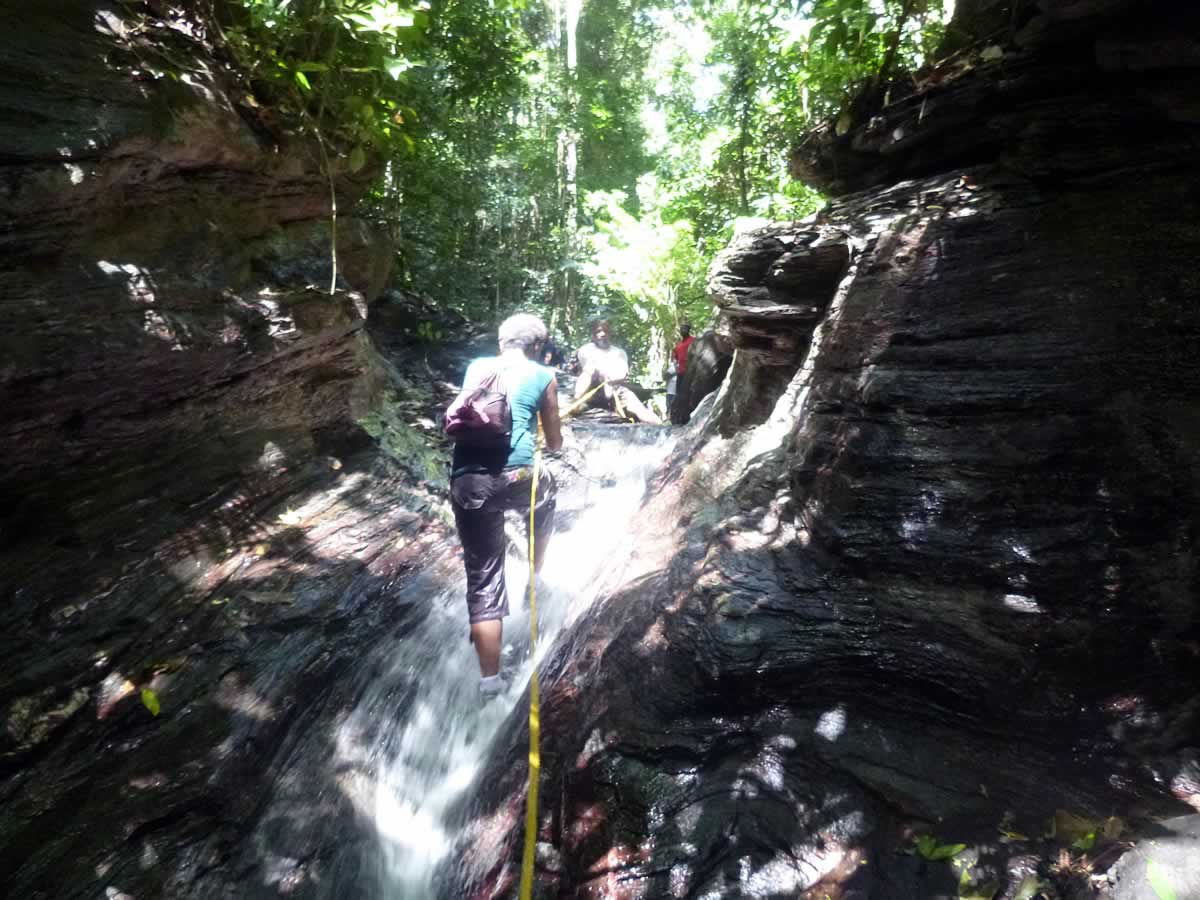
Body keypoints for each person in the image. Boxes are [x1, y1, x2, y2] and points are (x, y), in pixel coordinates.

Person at [450, 313, 563, 697]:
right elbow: (554, 442)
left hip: (469, 481)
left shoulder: (477, 367)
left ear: (501, 343)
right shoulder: (544, 376)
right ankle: (536, 574)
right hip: (520, 480)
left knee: (484, 578)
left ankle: (489, 682)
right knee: (545, 498)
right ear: (537, 348)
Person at [573, 319, 661, 425]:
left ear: (610, 333)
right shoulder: (586, 349)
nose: (602, 334)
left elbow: (623, 373)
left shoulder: (619, 352)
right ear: (593, 334)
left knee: (639, 410)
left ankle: (661, 425)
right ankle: (576, 401)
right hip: (593, 389)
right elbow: (588, 369)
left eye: (605, 331)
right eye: (599, 331)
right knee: (588, 372)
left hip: (616, 389)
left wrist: (609, 378)